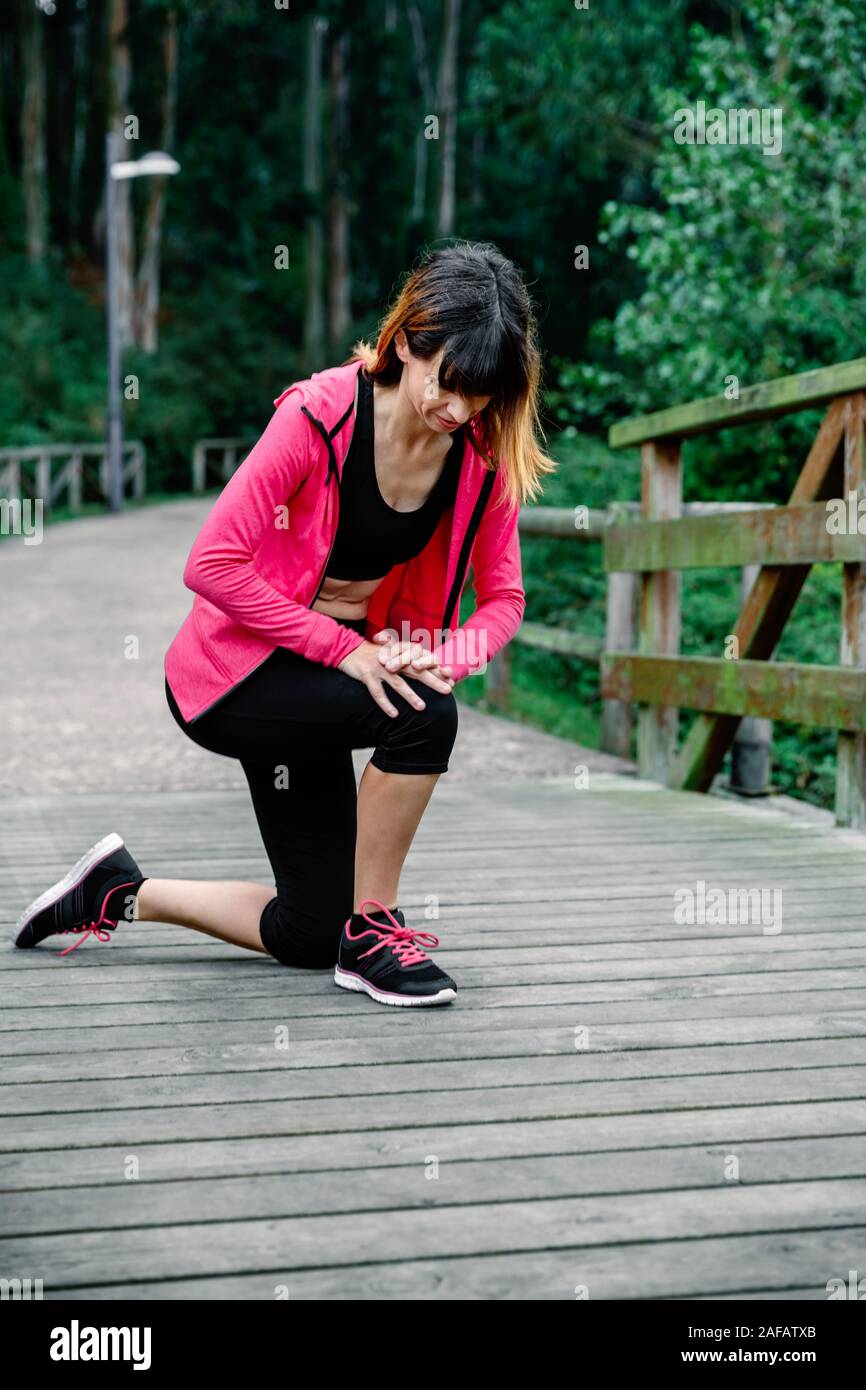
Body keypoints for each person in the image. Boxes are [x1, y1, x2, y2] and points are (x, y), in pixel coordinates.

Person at [14, 241, 555, 1007]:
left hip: (329, 676)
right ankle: (377, 931)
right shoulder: (321, 414)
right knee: (424, 718)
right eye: (451, 384)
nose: (459, 411)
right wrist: (347, 651)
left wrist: (450, 652)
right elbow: (212, 564)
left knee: (308, 932)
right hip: (237, 675)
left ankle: (118, 892)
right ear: (408, 340)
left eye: (483, 396)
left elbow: (505, 598)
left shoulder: (479, 458)